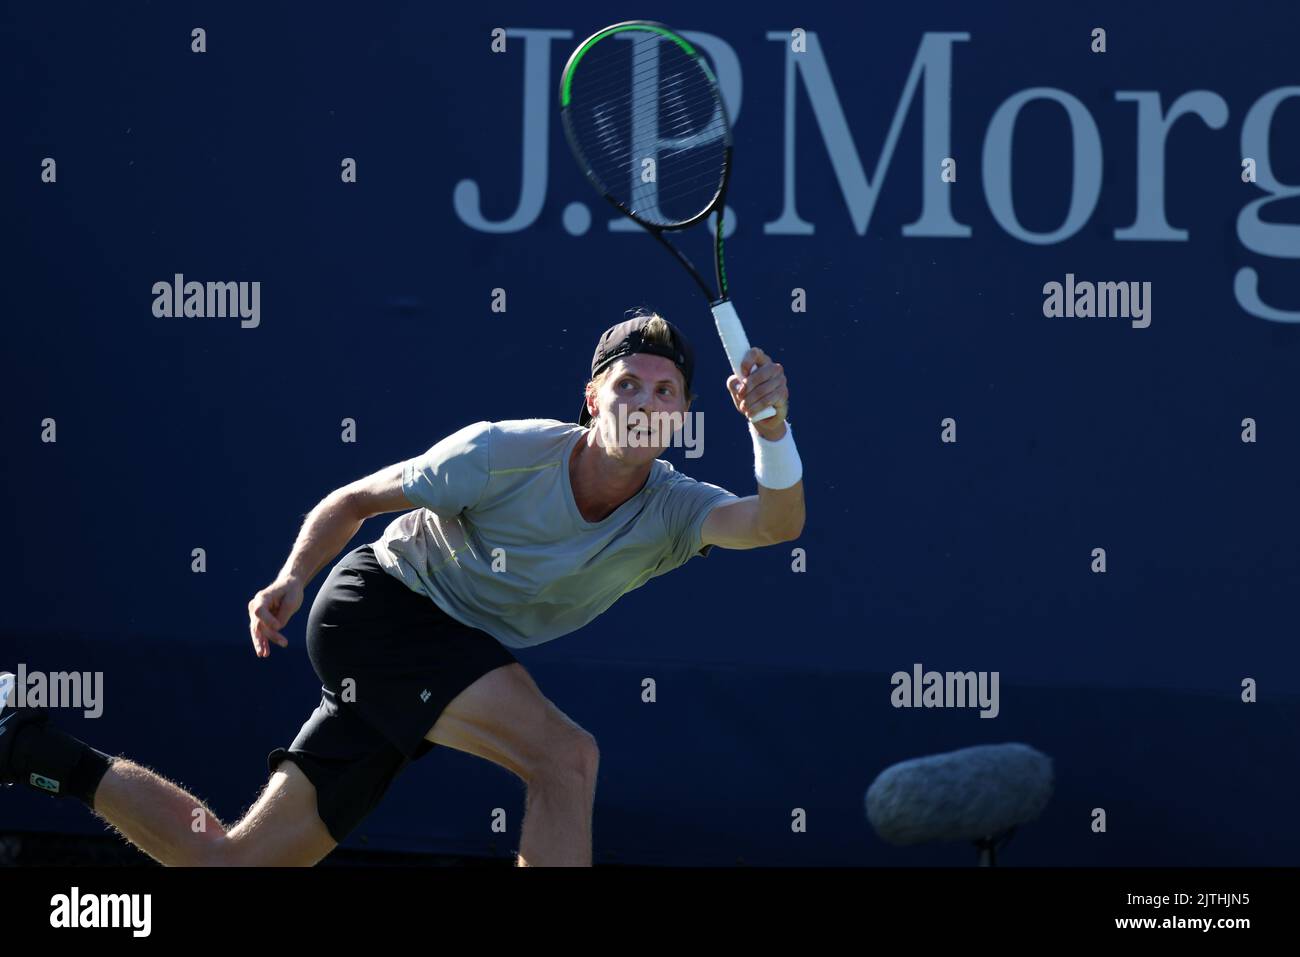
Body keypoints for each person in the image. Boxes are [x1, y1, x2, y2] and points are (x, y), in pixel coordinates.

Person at [0, 310, 804, 866]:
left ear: (685, 418)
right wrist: (290, 577)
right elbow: (354, 499)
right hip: (376, 608)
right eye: (627, 384)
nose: (644, 403)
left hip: (431, 660)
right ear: (592, 398)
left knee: (229, 860)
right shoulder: (500, 453)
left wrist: (771, 430)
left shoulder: (674, 510)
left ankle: (30, 749)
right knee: (566, 759)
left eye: (665, 393)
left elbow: (776, 524)